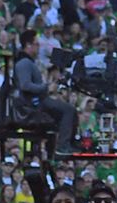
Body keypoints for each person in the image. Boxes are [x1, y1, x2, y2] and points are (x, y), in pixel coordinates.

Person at [13, 29, 76, 157]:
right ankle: (62, 146)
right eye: (36, 44)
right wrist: (46, 88)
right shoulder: (24, 63)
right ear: (28, 45)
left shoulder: (29, 62)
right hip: (34, 104)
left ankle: (66, 143)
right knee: (68, 110)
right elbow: (25, 85)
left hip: (38, 100)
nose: (38, 48)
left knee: (68, 110)